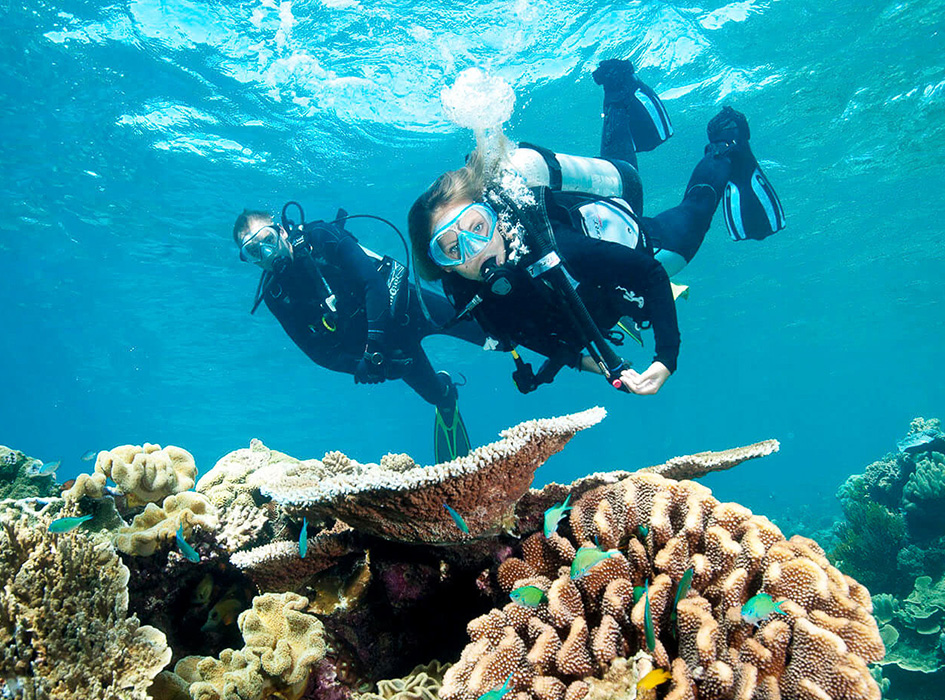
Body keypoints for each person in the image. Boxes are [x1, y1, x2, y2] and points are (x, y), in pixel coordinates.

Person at [408, 60, 784, 396]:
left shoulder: (553, 244)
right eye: (453, 248)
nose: (476, 250)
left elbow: (651, 274)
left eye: (477, 226)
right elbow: (540, 339)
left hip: (634, 239)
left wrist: (665, 359)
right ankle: (618, 90)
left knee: (695, 212)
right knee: (618, 161)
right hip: (601, 267)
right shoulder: (467, 297)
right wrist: (608, 369)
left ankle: (725, 144)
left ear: (493, 215)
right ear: (441, 265)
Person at [233, 205, 486, 461]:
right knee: (436, 396)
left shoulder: (321, 236)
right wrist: (365, 366)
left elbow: (372, 283)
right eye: (254, 251)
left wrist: (373, 348)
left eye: (268, 240)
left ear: (281, 232)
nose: (266, 252)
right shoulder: (276, 296)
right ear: (249, 260)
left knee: (493, 336)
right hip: (390, 350)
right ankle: (446, 395)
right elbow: (317, 352)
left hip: (409, 307)